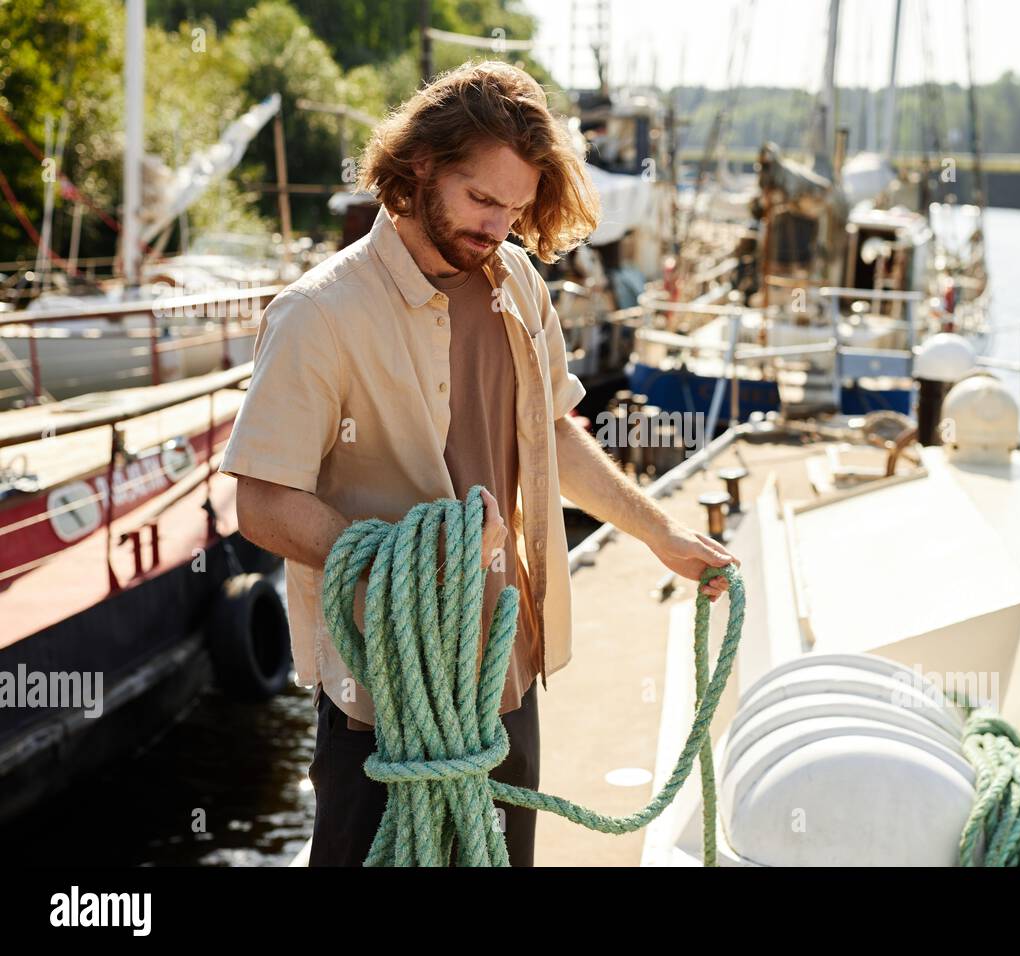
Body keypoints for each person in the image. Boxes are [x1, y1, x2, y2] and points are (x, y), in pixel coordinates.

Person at [218, 60, 738, 867]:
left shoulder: (519, 284)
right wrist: (408, 563)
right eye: (481, 200)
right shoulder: (316, 315)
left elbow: (553, 436)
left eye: (517, 209)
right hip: (382, 696)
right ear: (419, 166)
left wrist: (660, 534)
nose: (498, 227)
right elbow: (262, 502)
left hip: (503, 670)